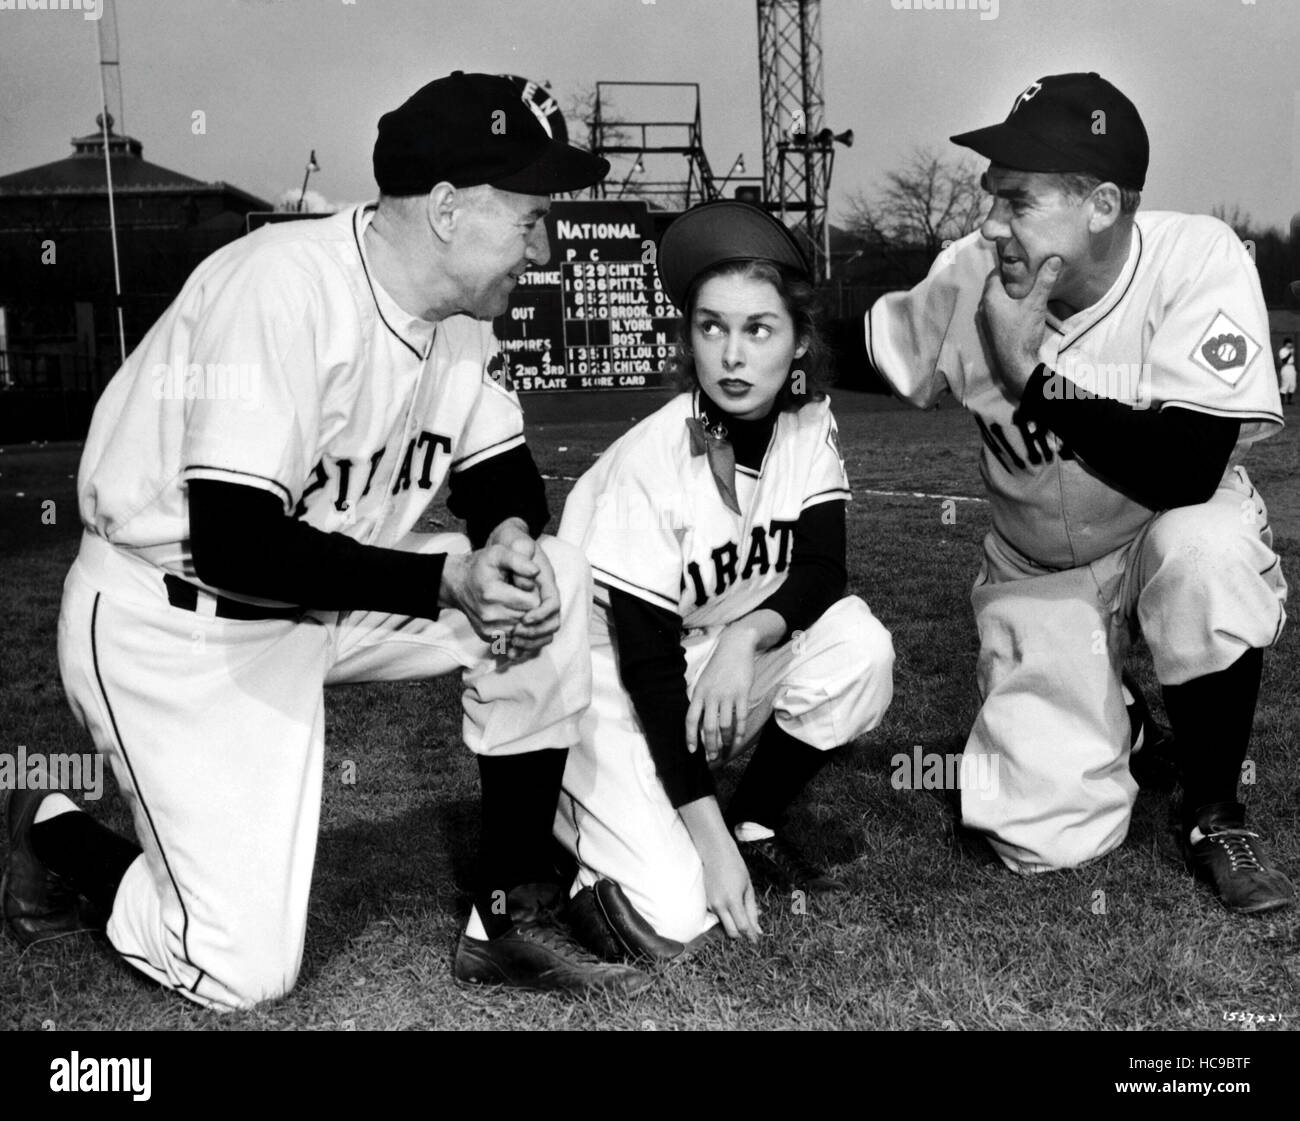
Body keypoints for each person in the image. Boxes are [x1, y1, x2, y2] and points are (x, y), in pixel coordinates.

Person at [1, 71, 652, 1007]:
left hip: (328, 597)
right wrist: (447, 584)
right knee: (241, 970)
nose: (542, 245)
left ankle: (507, 911)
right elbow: (235, 544)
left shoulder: (459, 320)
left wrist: (505, 539)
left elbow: (496, 471)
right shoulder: (280, 289)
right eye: (531, 218)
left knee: (551, 574)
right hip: (178, 625)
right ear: (445, 209)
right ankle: (53, 831)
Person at [866, 72, 1292, 913]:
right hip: (1039, 569)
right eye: (992, 199)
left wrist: (1030, 376)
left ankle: (1213, 808)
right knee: (1041, 839)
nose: (991, 223)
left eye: (1017, 202)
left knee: (1207, 547)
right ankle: (1122, 717)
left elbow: (1186, 466)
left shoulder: (1197, 258)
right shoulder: (966, 275)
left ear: (1099, 204)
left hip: (1157, 530)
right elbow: (866, 350)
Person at [554, 201, 895, 958]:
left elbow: (821, 569)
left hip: (709, 653)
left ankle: (753, 818)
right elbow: (646, 666)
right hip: (599, 686)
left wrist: (747, 635)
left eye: (758, 328)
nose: (732, 355)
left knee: (858, 649)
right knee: (672, 920)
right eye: (712, 327)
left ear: (799, 340)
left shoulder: (807, 424)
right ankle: (573, 824)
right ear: (691, 339)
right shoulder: (651, 460)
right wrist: (705, 845)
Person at [1278, 339, 1295, 405]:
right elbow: (1284, 361)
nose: (1290, 344)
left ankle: (1289, 401)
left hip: (1291, 367)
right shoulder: (1282, 350)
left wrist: (1291, 353)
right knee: (1285, 384)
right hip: (1285, 367)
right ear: (1285, 344)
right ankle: (1282, 401)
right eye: (1289, 343)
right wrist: (1290, 353)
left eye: (1290, 343)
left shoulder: (1290, 350)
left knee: (1292, 384)